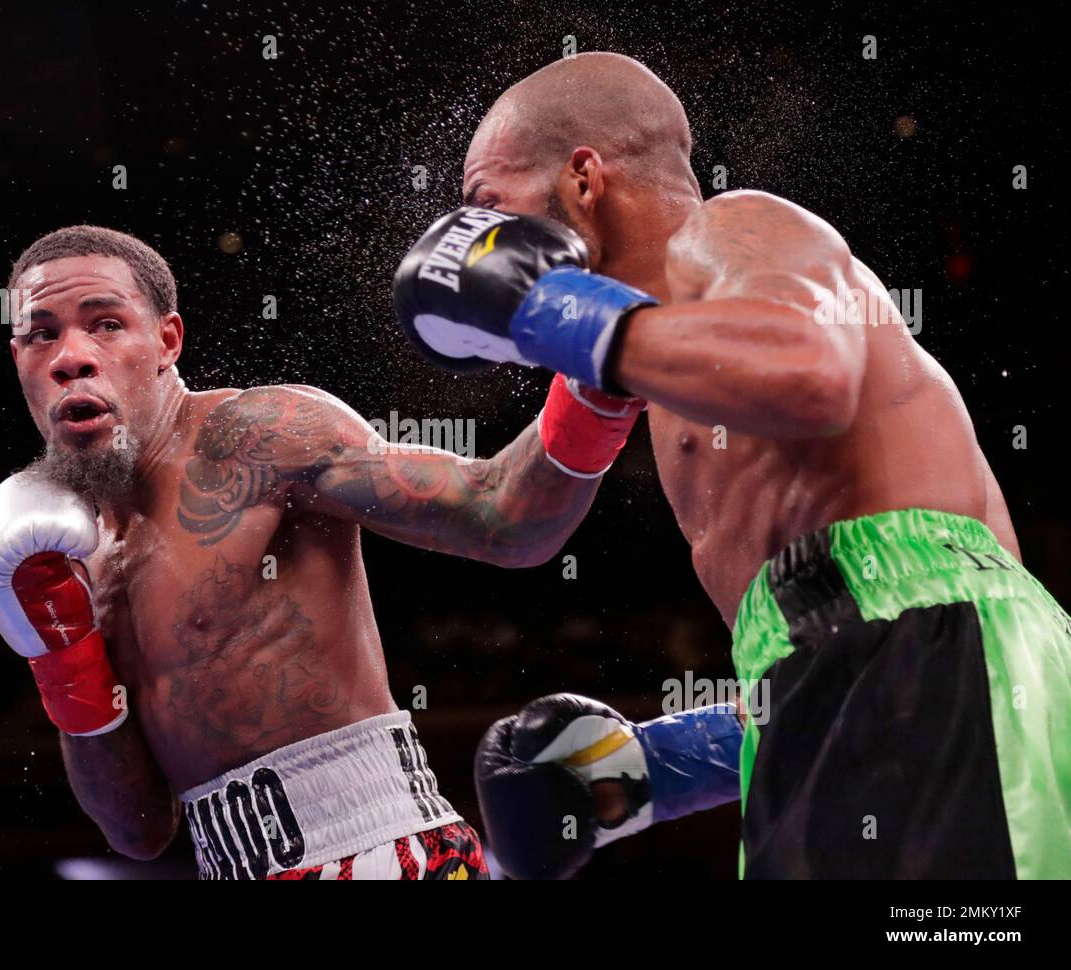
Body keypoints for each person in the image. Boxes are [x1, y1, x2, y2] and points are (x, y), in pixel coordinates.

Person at [394, 52, 1071, 878]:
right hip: (852, 676)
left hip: (938, 643)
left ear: (583, 180)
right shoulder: (657, 362)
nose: (477, 239)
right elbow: (504, 517)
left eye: (487, 204)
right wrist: (658, 767)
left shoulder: (735, 230)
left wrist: (545, 307)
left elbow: (809, 374)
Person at [0, 224, 639, 879]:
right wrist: (64, 660)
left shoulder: (256, 439)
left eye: (106, 323)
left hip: (377, 848)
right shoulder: (67, 554)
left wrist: (602, 368)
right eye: (41, 334)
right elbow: (139, 830)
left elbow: (506, 520)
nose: (71, 356)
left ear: (168, 340)